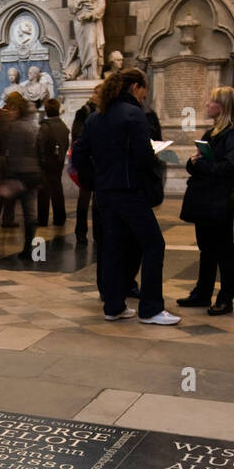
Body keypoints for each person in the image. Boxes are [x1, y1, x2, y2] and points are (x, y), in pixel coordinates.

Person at [74, 67, 180, 324]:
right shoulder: (133, 114)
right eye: (145, 90)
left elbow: (78, 154)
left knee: (112, 248)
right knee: (154, 245)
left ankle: (113, 306)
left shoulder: (96, 117)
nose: (145, 96)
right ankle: (151, 309)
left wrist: (95, 180)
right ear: (135, 87)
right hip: (130, 192)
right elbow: (144, 157)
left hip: (105, 194)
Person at [178, 87, 234, 316]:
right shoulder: (213, 132)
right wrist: (193, 162)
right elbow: (197, 164)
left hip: (220, 199)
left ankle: (225, 298)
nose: (207, 104)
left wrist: (201, 165)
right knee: (206, 248)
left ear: (223, 106)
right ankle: (202, 292)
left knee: (224, 250)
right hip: (205, 197)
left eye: (212, 101)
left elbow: (230, 167)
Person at [0, 91, 41, 260]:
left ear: (18, 109)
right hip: (33, 173)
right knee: (29, 212)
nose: (10, 111)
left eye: (12, 108)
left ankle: (2, 248)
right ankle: (28, 247)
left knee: (11, 207)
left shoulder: (15, 127)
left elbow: (12, 154)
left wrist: (8, 176)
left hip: (19, 174)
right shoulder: (33, 124)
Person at [70, 88, 99, 245]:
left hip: (99, 162)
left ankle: (97, 232)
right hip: (87, 161)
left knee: (97, 201)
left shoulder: (105, 113)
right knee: (84, 198)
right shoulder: (84, 112)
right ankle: (80, 231)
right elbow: (76, 136)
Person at [35, 97, 69, 226]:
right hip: (58, 161)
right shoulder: (63, 126)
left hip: (46, 161)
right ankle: (60, 217)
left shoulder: (45, 127)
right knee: (57, 188)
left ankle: (42, 219)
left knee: (43, 191)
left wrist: (39, 159)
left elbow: (39, 145)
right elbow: (66, 144)